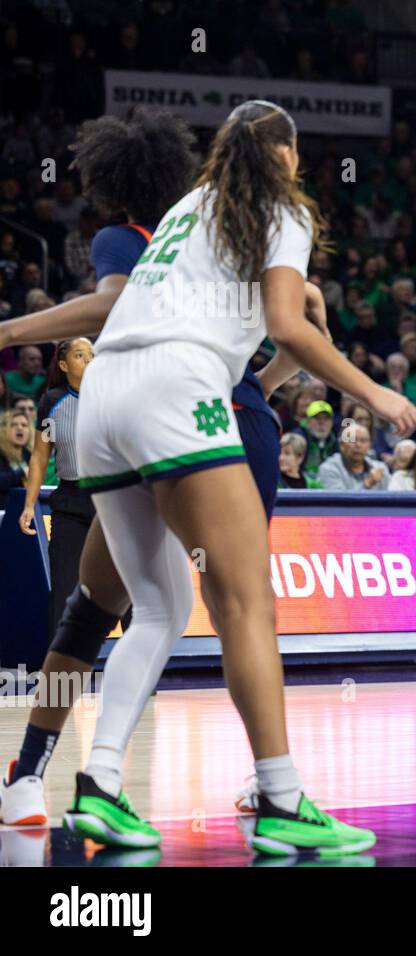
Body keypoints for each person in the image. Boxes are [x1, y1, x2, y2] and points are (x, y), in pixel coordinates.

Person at [60, 101, 416, 856]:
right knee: (246, 602)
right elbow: (287, 326)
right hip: (176, 389)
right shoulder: (279, 206)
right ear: (285, 154)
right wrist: (376, 392)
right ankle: (282, 797)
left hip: (104, 393)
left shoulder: (191, 204)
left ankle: (98, 783)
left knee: (156, 606)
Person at [0, 109, 320, 828]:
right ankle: (269, 784)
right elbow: (300, 316)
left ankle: (33, 775)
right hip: (225, 418)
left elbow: (112, 307)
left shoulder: (141, 234)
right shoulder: (230, 221)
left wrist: (11, 330)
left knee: (99, 608)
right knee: (239, 606)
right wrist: (273, 382)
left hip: (159, 413)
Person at [17, 339, 96, 643]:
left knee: (126, 588)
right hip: (70, 503)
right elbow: (39, 456)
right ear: (64, 365)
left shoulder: (114, 398)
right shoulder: (52, 402)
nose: (89, 360)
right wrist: (28, 505)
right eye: (80, 355)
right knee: (63, 589)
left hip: (111, 503)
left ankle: (144, 675)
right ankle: (59, 671)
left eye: (92, 355)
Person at [317, 423, 391, 491]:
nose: (358, 445)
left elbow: (390, 500)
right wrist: (366, 485)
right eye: (352, 440)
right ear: (341, 445)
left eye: (363, 440)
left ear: (369, 445)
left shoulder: (380, 468)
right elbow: (337, 502)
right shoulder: (329, 468)